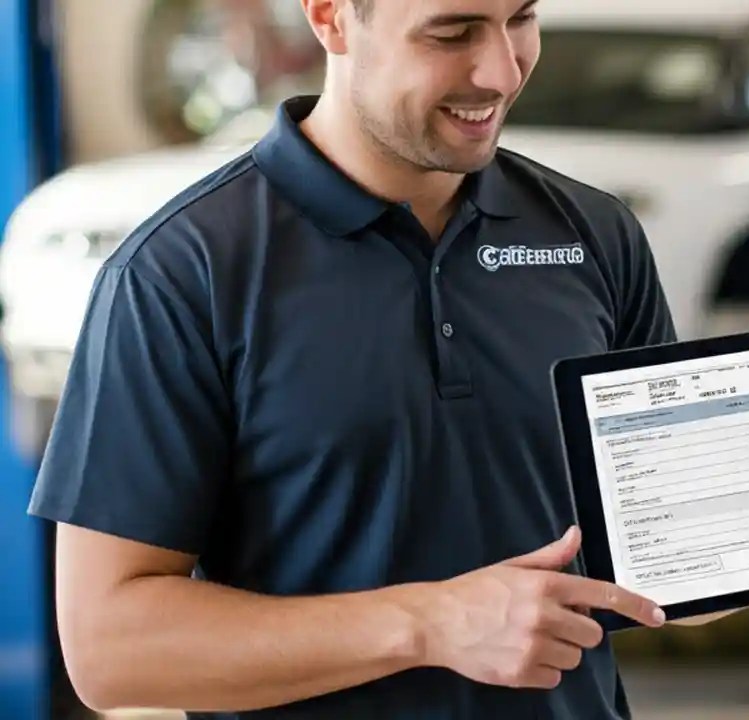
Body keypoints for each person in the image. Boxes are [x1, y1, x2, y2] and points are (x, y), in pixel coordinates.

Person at [27, 1, 685, 718]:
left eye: (521, 19)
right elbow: (109, 650)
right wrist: (431, 625)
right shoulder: (184, 274)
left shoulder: (595, 235)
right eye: (453, 32)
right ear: (330, 18)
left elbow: (666, 553)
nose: (502, 69)